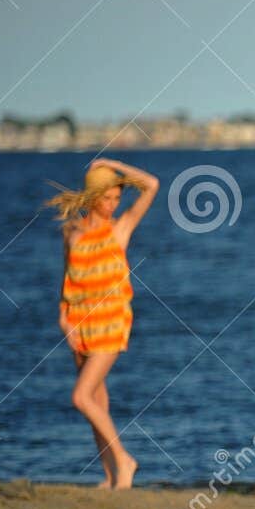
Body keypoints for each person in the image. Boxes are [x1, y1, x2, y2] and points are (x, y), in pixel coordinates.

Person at [44, 158, 160, 489]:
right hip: (80, 322)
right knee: (98, 402)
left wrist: (111, 164)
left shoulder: (120, 229)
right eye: (106, 197)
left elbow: (152, 184)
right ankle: (110, 476)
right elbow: (67, 278)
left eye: (116, 198)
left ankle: (124, 460)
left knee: (80, 397)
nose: (112, 205)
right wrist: (64, 319)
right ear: (91, 196)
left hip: (112, 320)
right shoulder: (72, 231)